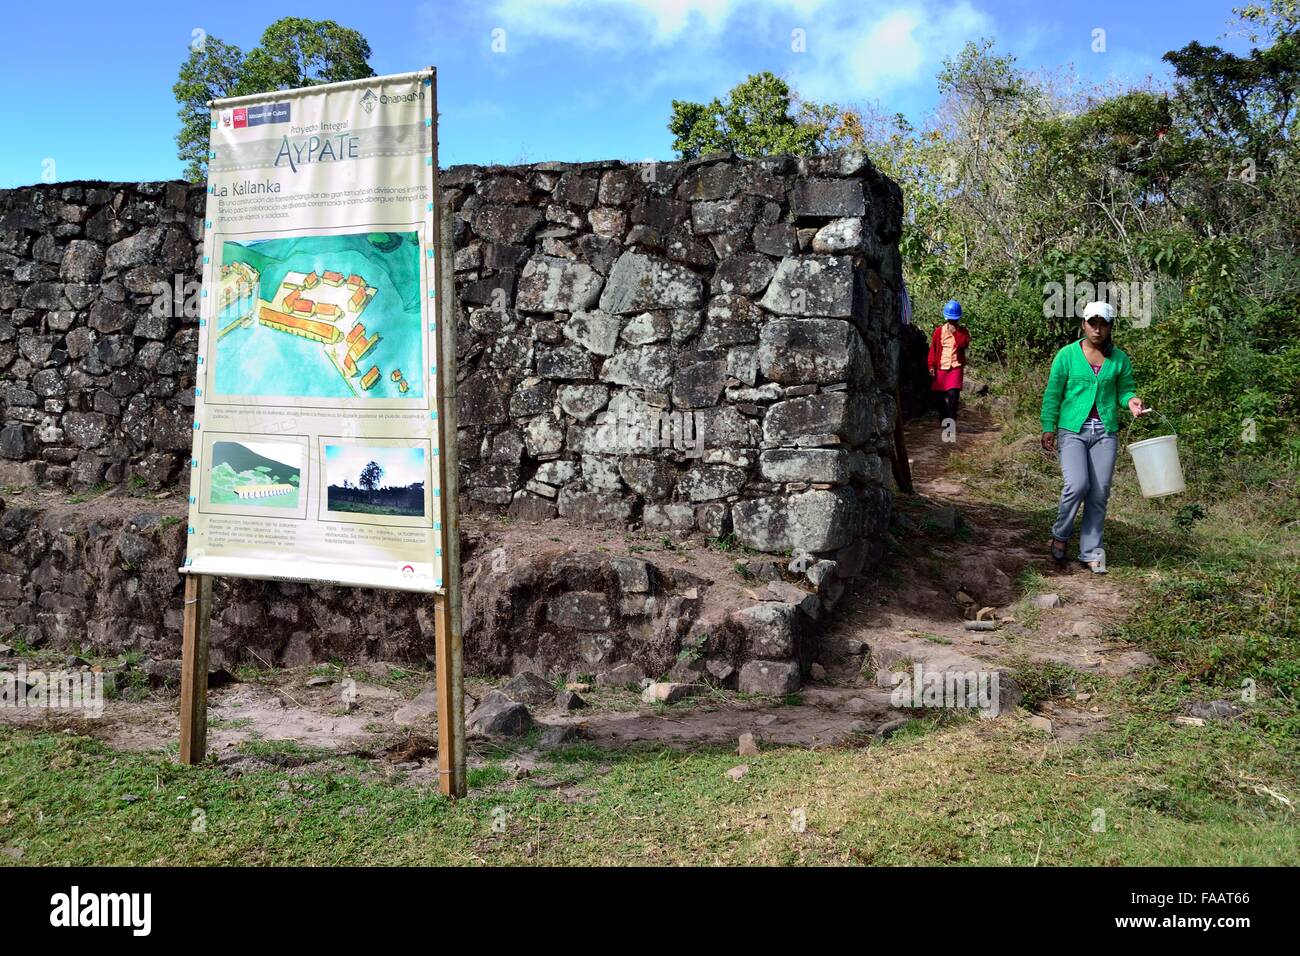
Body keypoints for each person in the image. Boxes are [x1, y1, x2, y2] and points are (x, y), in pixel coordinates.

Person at [1040, 301, 1151, 573]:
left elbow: (1125, 390)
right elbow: (1053, 393)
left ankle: (1090, 551)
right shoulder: (1067, 355)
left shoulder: (1119, 359)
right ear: (1083, 324)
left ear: (1111, 327)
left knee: (1099, 493)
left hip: (1105, 432)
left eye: (1104, 324)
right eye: (1093, 323)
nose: (1098, 330)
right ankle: (1061, 533)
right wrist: (1048, 426)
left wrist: (1132, 402)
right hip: (1073, 431)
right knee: (1077, 485)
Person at [928, 299, 969, 420]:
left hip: (955, 367)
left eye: (955, 320)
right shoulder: (938, 332)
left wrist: (956, 333)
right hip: (941, 366)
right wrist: (931, 366)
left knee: (953, 395)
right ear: (946, 318)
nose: (953, 322)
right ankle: (943, 418)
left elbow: (963, 344)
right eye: (951, 320)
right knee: (939, 396)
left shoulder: (963, 332)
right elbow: (933, 350)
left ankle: (951, 421)